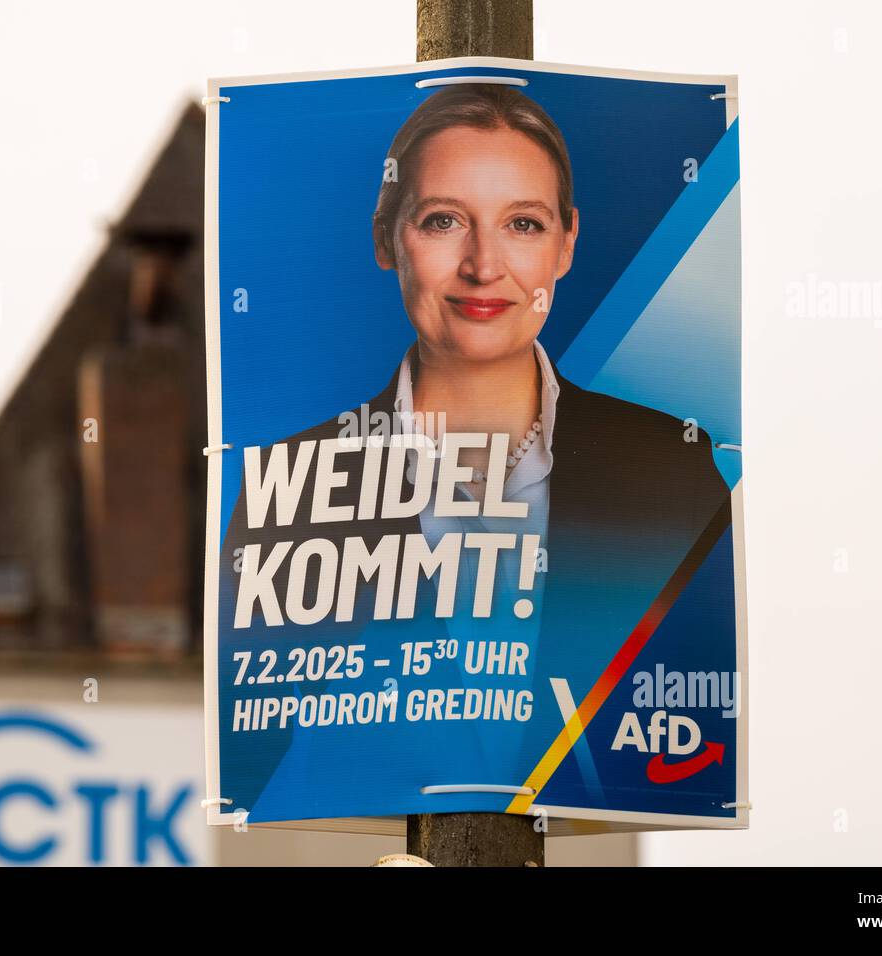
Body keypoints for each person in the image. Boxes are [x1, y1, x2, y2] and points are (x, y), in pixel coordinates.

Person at [216, 83, 732, 817]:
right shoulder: (288, 484)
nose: (484, 265)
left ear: (566, 243)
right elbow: (252, 774)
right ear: (385, 237)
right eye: (443, 221)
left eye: (523, 223)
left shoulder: (673, 467)